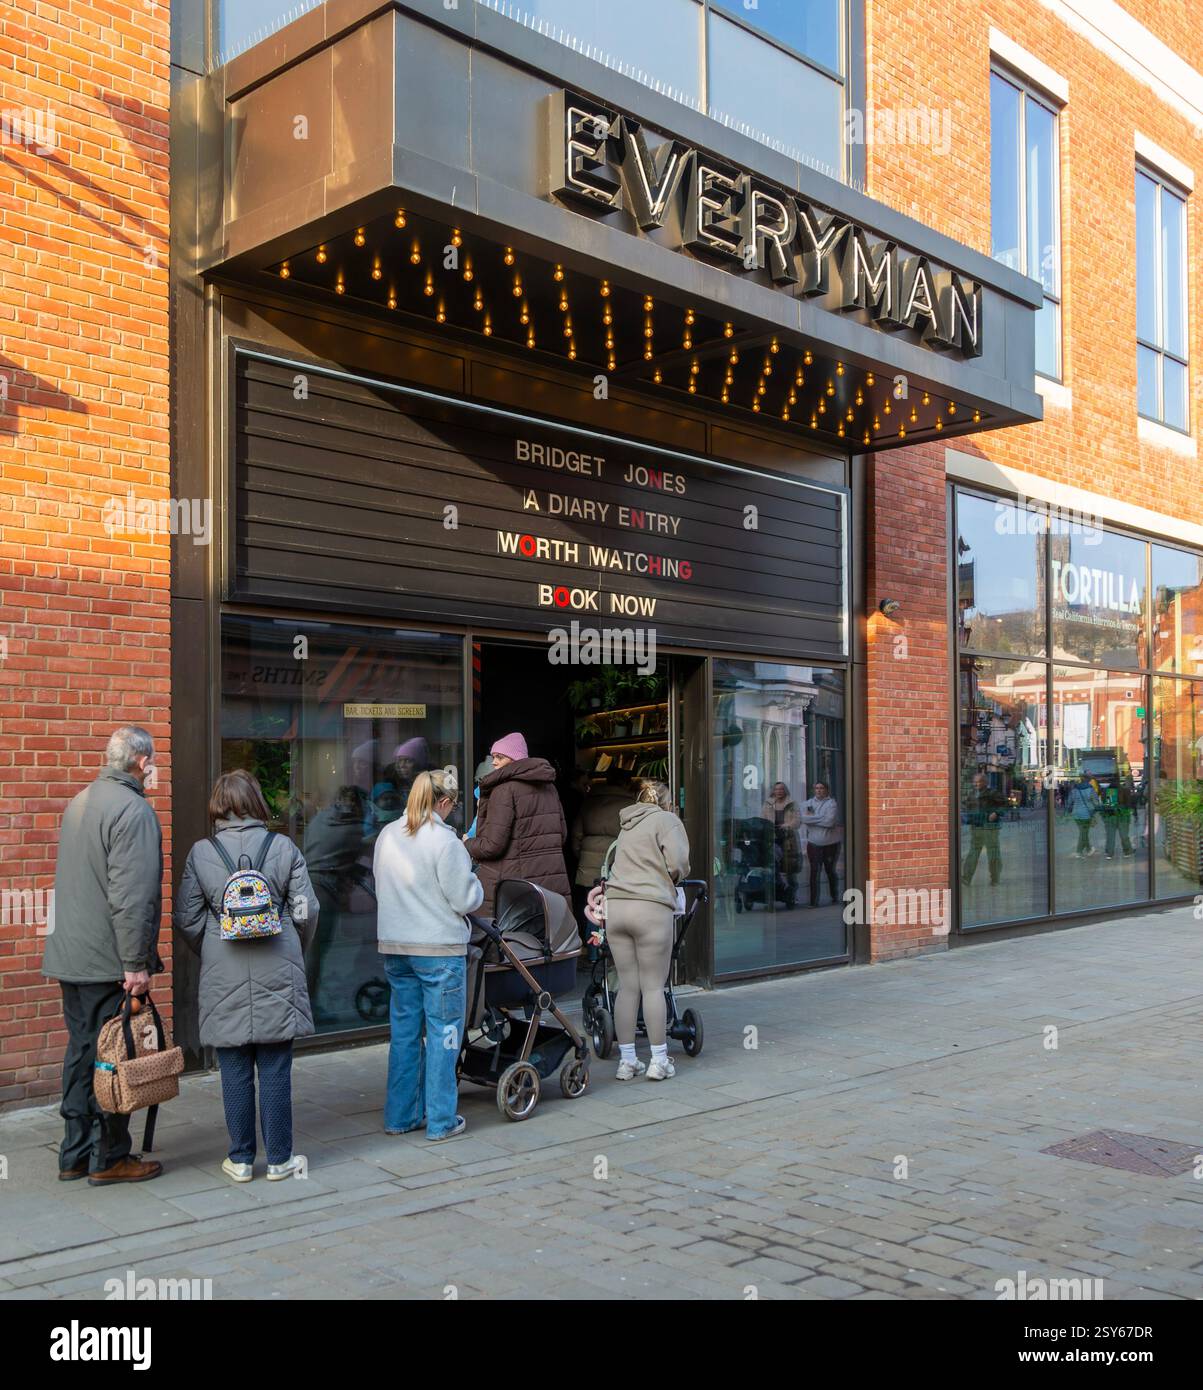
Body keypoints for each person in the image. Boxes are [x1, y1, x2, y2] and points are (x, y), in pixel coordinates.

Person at [175, 770, 319, 1183]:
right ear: (256, 801)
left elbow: (186, 917)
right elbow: (307, 910)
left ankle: (239, 1159)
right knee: (275, 1066)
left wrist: (215, 945)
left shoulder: (202, 852)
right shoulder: (284, 847)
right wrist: (292, 941)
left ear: (218, 805)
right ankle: (279, 1159)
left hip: (224, 968)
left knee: (234, 1066)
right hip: (279, 962)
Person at [43, 726, 165, 1186]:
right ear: (140, 762)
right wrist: (135, 964)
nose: (155, 771)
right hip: (105, 959)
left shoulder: (80, 801)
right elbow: (132, 897)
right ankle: (110, 1156)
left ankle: (73, 1154)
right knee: (114, 1054)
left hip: (71, 955)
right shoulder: (132, 810)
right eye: (152, 762)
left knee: (81, 1050)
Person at [373, 769, 483, 1142]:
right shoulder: (445, 841)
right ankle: (441, 1120)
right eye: (452, 805)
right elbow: (465, 898)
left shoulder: (388, 835)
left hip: (396, 947)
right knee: (444, 1034)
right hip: (438, 949)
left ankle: (400, 1116)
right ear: (443, 802)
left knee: (404, 1034)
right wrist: (476, 882)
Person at [605, 780, 690, 1082]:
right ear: (666, 801)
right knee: (653, 986)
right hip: (650, 906)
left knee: (628, 987)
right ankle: (658, 1061)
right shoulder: (666, 820)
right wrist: (675, 876)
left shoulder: (627, 823)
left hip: (615, 906)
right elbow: (679, 862)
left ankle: (627, 1062)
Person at [465, 733, 571, 917]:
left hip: (513, 884)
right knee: (544, 938)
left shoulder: (504, 789)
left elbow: (492, 846)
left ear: (515, 759)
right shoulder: (549, 787)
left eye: (500, 757)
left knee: (512, 942)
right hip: (549, 880)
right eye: (493, 757)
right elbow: (561, 834)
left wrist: (467, 842)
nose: (494, 762)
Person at [301, 784, 370, 1021]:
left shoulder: (321, 820)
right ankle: (309, 1008)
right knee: (316, 953)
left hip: (306, 886)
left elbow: (330, 851)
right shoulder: (352, 828)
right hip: (325, 891)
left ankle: (304, 1005)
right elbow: (359, 849)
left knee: (308, 951)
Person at [571, 767, 631, 928]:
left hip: (588, 867)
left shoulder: (590, 801)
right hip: (617, 867)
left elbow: (576, 836)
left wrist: (582, 858)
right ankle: (613, 950)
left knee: (593, 910)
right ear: (627, 783)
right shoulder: (630, 805)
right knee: (617, 912)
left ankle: (593, 952)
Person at [800, 781, 843, 907]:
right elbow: (803, 819)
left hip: (830, 844)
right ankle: (813, 901)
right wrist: (821, 818)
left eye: (821, 788)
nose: (819, 790)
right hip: (813, 843)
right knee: (814, 871)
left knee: (830, 870)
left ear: (826, 790)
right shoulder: (807, 804)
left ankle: (834, 896)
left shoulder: (831, 803)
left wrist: (813, 820)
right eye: (817, 788)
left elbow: (829, 822)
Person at [761, 781, 801, 908]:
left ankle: (792, 896)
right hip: (772, 840)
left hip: (788, 841)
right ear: (773, 791)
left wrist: (787, 825)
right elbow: (762, 819)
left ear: (785, 791)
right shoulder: (768, 804)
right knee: (772, 867)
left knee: (790, 870)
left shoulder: (792, 804)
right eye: (777, 789)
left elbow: (797, 821)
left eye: (781, 789)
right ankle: (772, 896)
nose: (779, 791)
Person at [961, 771, 1005, 887]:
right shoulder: (972, 795)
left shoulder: (993, 793)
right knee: (973, 853)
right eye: (974, 782)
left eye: (979, 782)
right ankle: (966, 878)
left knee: (993, 853)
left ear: (985, 782)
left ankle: (995, 878)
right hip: (976, 828)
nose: (976, 784)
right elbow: (966, 807)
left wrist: (996, 812)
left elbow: (1004, 805)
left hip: (990, 828)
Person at [1067, 773, 1101, 857]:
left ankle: (1089, 849)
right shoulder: (1090, 789)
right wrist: (1097, 809)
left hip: (1076, 814)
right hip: (1086, 814)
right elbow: (1096, 801)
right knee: (1084, 833)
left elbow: (1069, 801)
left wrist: (1069, 810)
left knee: (1083, 832)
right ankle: (1079, 851)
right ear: (1088, 780)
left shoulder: (1075, 789)